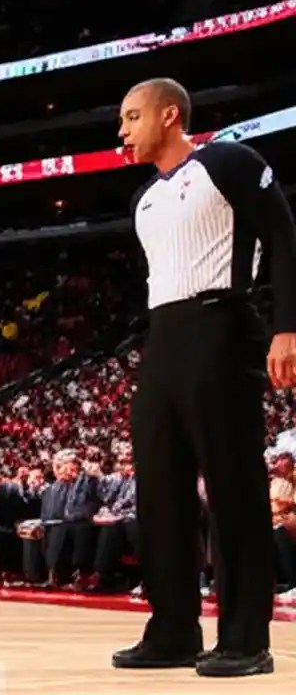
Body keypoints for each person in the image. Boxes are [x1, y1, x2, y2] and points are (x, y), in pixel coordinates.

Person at [113, 77, 296, 677]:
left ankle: (246, 637)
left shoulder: (227, 161)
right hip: (163, 338)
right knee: (160, 492)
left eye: (132, 117)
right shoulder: (143, 199)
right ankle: (172, 629)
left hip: (223, 323)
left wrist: (286, 327)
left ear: (170, 115)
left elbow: (285, 234)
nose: (123, 130)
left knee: (234, 485)